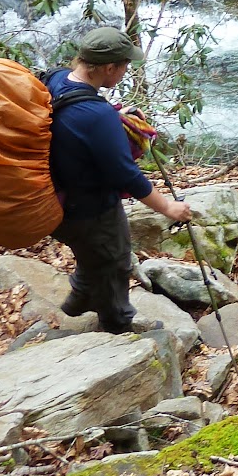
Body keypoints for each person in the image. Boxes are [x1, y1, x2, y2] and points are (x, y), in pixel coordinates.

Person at [45, 27, 190, 333]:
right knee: (115, 261)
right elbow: (126, 174)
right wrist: (168, 208)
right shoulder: (97, 115)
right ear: (109, 68)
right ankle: (117, 324)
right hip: (90, 209)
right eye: (124, 65)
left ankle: (79, 299)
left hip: (55, 201)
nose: (126, 71)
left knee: (91, 253)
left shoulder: (56, 80)